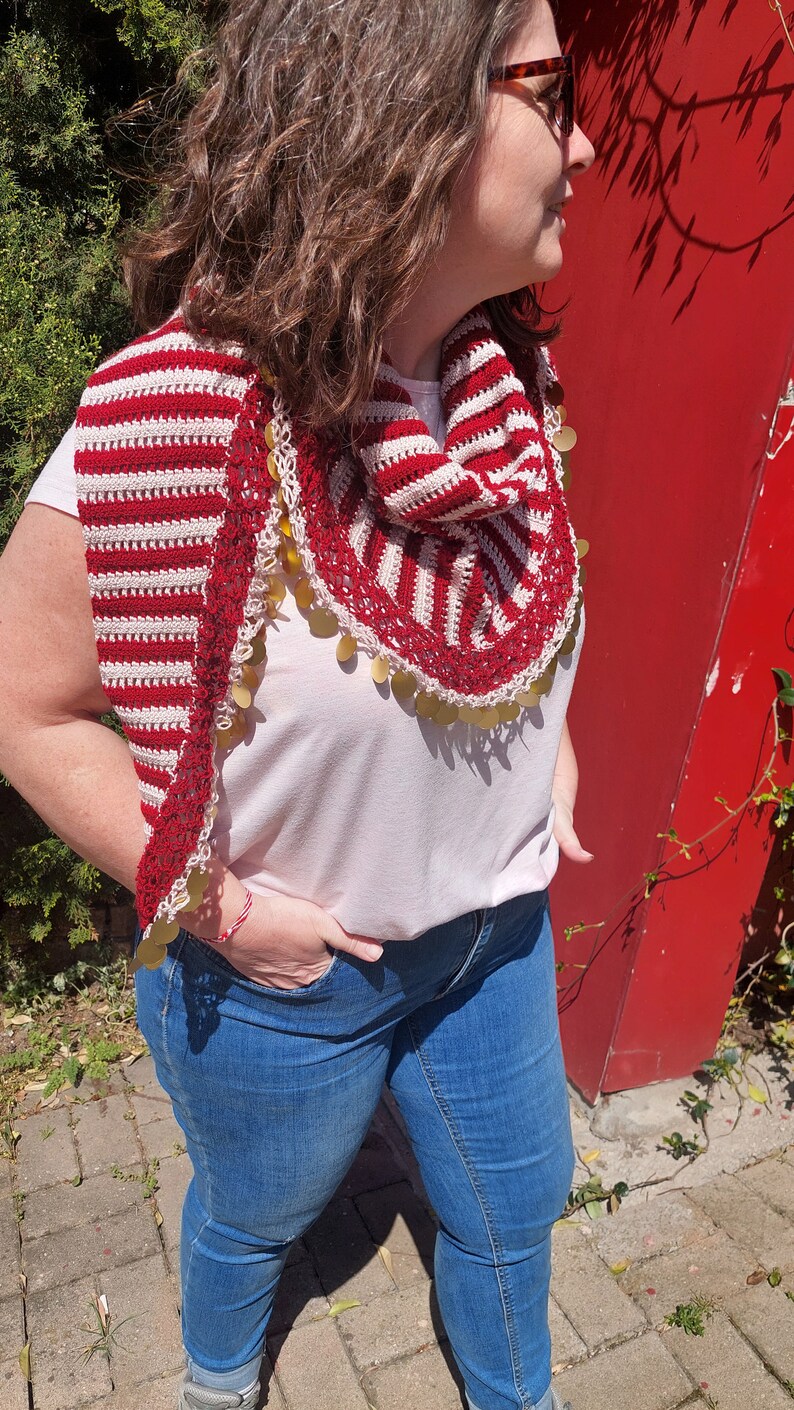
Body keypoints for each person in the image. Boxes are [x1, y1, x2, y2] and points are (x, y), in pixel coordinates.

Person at [0, 0, 596, 1406]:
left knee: (517, 1212)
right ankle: (220, 1376)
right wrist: (216, 904)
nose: (586, 139)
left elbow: (521, 611)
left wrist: (547, 738)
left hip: (494, 943)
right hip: (282, 974)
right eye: (549, 88)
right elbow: (26, 706)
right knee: (255, 1213)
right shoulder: (170, 422)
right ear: (405, 112)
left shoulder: (498, 383)